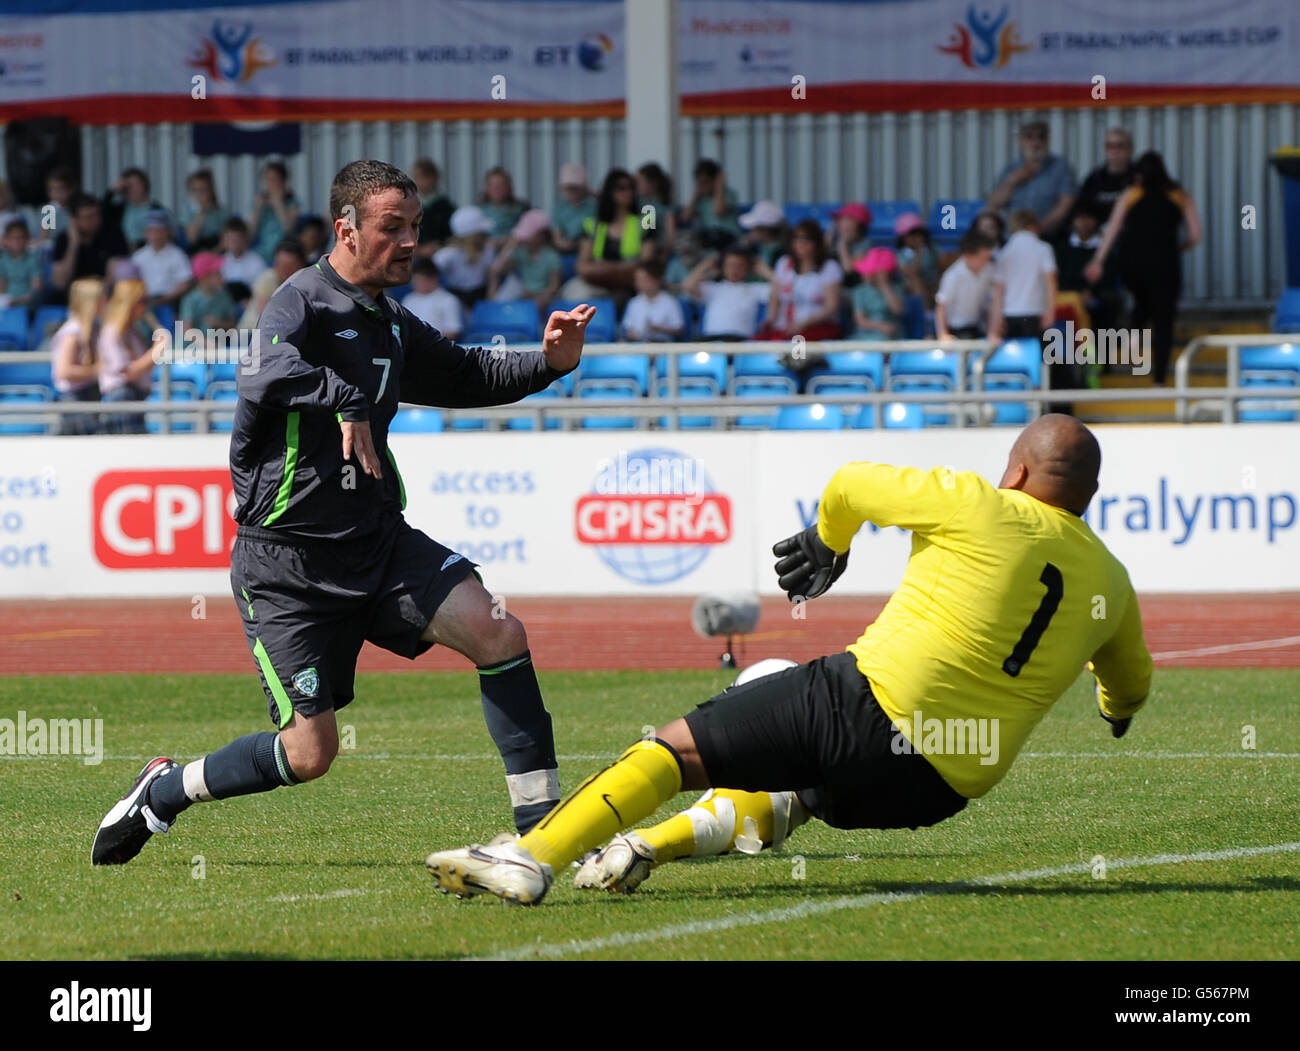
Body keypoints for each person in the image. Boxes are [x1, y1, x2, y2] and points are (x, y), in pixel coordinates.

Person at [92, 159, 598, 866]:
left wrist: (550, 363)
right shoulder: (299, 298)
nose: (410, 242)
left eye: (416, 227)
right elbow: (262, 371)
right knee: (309, 753)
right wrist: (347, 397)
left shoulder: (389, 318)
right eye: (393, 227)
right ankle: (164, 792)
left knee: (497, 629)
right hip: (287, 563)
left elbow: (466, 372)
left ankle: (545, 832)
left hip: (377, 542)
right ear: (347, 229)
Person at [425, 415, 1154, 904]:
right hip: (941, 789)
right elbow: (1131, 683)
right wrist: (1113, 711)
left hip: (866, 706)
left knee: (675, 750)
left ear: (1019, 473)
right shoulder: (1112, 583)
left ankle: (531, 856)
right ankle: (648, 844)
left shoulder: (975, 502)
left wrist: (828, 541)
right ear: (1087, 496)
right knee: (797, 788)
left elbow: (850, 484)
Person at [1084, 151, 1201, 387]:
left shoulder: (1131, 194)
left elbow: (1112, 231)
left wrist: (1098, 260)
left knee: (1140, 302)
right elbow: (1196, 234)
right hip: (1166, 262)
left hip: (1133, 261)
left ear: (1139, 175)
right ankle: (1159, 380)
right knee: (1164, 319)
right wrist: (1182, 247)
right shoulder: (1179, 195)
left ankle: (1134, 336)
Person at [561, 168, 657, 306]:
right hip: (597, 283)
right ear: (610, 192)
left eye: (631, 188)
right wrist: (612, 270)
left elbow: (647, 263)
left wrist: (609, 268)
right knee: (572, 292)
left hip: (631, 284)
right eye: (621, 188)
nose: (628, 192)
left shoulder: (647, 220)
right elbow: (582, 266)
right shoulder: (592, 224)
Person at [985, 120, 1077, 243]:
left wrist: (1039, 228)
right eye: (1029, 137)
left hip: (1049, 238)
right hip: (1013, 238)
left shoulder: (1061, 167)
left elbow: (1066, 204)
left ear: (1047, 141)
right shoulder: (1011, 169)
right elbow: (994, 203)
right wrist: (1013, 180)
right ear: (1020, 141)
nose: (1035, 143)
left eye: (1041, 137)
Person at [758, 217, 843, 341]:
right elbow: (775, 297)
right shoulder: (783, 263)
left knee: (795, 349)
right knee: (756, 345)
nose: (800, 243)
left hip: (817, 327)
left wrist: (804, 323)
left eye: (806, 239)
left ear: (817, 242)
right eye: (796, 238)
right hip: (786, 328)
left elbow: (831, 307)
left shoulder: (829, 267)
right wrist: (771, 319)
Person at [96, 278, 155, 434]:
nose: (145, 306)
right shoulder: (113, 331)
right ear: (131, 302)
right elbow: (128, 373)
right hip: (121, 398)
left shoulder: (132, 331)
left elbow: (144, 368)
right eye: (142, 301)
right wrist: (156, 351)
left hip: (134, 396)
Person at [50, 277, 104, 435]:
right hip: (75, 401)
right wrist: (98, 370)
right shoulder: (73, 332)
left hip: (88, 396)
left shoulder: (92, 328)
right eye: (101, 298)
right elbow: (64, 372)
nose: (106, 302)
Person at [49, 193, 129, 296]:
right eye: (88, 217)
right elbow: (60, 282)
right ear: (75, 220)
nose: (95, 220)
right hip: (73, 294)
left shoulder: (113, 234)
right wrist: (73, 244)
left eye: (97, 214)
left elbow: (117, 271)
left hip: (105, 293)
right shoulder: (63, 239)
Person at [683, 247, 769, 340]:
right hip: (712, 341)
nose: (734, 269)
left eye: (739, 265)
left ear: (748, 268)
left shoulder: (755, 289)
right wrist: (706, 264)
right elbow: (687, 286)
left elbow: (777, 290)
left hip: (741, 342)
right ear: (722, 267)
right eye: (730, 265)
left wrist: (765, 270)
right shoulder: (713, 288)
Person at [487, 208, 562, 312]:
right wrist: (512, 243)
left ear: (542, 236)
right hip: (522, 293)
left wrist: (537, 295)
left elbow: (554, 285)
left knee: (540, 303)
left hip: (542, 298)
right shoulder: (521, 252)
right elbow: (497, 269)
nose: (525, 239)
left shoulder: (551, 256)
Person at [934, 229, 996, 341]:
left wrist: (993, 330)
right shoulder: (952, 276)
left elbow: (993, 301)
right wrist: (943, 334)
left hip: (978, 327)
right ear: (968, 256)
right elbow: (941, 307)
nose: (987, 261)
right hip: (956, 330)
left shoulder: (988, 270)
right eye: (983, 258)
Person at [434, 205, 496, 308]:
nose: (485, 235)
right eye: (481, 233)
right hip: (455, 298)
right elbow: (430, 273)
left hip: (480, 297)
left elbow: (491, 278)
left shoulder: (487, 250)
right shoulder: (448, 254)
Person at [130, 211, 193, 310]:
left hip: (171, 303)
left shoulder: (177, 255)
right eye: (152, 231)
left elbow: (186, 282)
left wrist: (165, 298)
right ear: (146, 233)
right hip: (144, 304)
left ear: (168, 232)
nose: (156, 236)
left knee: (177, 323)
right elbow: (131, 282)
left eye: (160, 231)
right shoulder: (138, 257)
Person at [238, 238, 306, 329]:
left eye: (290, 266)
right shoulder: (268, 277)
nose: (284, 270)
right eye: (280, 264)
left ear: (301, 265)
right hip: (251, 332)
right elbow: (266, 312)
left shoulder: (306, 281)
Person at [1077, 127, 1136, 225]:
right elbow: (1082, 211)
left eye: (1120, 146)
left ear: (1130, 149)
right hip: (1098, 234)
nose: (1115, 151)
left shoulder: (1139, 178)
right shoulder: (1094, 179)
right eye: (1110, 146)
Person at [678, 159, 741, 250]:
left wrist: (719, 186)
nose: (703, 186)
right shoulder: (701, 199)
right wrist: (696, 194)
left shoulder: (728, 194)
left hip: (728, 237)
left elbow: (719, 210)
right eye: (700, 183)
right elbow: (685, 217)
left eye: (706, 182)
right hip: (709, 238)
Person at [102, 167, 167, 250]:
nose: (132, 189)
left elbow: (163, 236)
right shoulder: (120, 209)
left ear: (145, 185)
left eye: (136, 184)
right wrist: (111, 191)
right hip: (121, 252)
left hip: (147, 252)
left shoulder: (156, 209)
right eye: (128, 186)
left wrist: (138, 246)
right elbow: (102, 212)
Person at [849, 247, 906, 341]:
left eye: (868, 271)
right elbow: (860, 321)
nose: (864, 274)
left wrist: (884, 285)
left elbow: (898, 310)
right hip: (865, 336)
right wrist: (881, 326)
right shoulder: (859, 291)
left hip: (892, 337)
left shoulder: (896, 288)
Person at [250, 161, 301, 264]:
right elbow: (250, 232)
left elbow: (288, 228)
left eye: (274, 180)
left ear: (283, 181)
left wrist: (278, 203)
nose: (270, 184)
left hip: (284, 251)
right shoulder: (261, 202)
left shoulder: (293, 203)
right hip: (262, 253)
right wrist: (257, 209)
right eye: (267, 180)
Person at [621, 259, 684, 342]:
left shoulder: (670, 302)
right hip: (637, 345)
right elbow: (628, 328)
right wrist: (634, 336)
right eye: (637, 280)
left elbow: (679, 330)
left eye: (644, 279)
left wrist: (659, 329)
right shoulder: (634, 302)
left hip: (662, 346)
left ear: (656, 280)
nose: (639, 283)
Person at [179, 252, 239, 334]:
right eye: (217, 273)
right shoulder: (190, 300)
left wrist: (219, 324)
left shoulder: (224, 296)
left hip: (220, 344)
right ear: (204, 278)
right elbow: (188, 331)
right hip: (192, 346)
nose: (222, 276)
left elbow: (233, 325)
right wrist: (207, 344)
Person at [402, 258, 463, 338]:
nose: (415, 284)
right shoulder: (408, 300)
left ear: (433, 279)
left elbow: (453, 331)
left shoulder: (449, 300)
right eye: (414, 281)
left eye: (420, 280)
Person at [894, 212, 941, 309]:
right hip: (909, 287)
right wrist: (919, 253)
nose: (916, 238)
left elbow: (942, 262)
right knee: (916, 280)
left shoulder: (932, 250)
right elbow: (911, 272)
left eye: (919, 234)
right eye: (911, 235)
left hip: (932, 283)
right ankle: (926, 313)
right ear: (903, 238)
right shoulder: (901, 255)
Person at [411, 158, 455, 257]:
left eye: (422, 177)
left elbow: (451, 235)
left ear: (433, 178)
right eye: (416, 177)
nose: (419, 181)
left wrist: (439, 245)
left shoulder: (445, 207)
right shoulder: (410, 205)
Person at [549, 162, 596, 255]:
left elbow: (594, 234)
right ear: (562, 188)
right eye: (569, 187)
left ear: (584, 187)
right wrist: (563, 243)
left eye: (575, 187)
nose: (572, 191)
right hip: (564, 252)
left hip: (588, 250)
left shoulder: (594, 206)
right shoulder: (558, 208)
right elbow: (556, 236)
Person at [218, 217, 268, 303]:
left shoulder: (257, 262)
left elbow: (261, 292)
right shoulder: (221, 261)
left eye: (236, 239)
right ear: (224, 240)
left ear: (245, 239)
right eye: (230, 239)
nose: (233, 243)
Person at [180, 169, 230, 253]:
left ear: (211, 190)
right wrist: (202, 212)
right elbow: (192, 238)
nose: (199, 194)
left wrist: (212, 254)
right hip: (196, 251)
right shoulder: (188, 211)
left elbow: (226, 240)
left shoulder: (222, 212)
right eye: (195, 190)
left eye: (203, 190)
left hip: (217, 251)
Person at [0, 219, 43, 311]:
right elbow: (2, 286)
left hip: (28, 306)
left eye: (21, 237)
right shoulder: (3, 259)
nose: (17, 241)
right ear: (6, 240)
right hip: (7, 305)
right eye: (13, 238)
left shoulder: (33, 259)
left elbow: (36, 289)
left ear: (27, 239)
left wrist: (17, 302)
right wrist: (5, 300)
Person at [477, 166, 527, 244]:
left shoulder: (521, 209)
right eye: (493, 185)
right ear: (486, 188)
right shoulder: (478, 210)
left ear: (509, 187)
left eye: (501, 185)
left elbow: (526, 234)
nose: (497, 189)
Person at [635, 162, 676, 247]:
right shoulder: (640, 202)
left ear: (652, 183)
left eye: (639, 182)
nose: (636, 186)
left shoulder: (665, 205)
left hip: (659, 248)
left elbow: (670, 236)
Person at [737, 200, 787, 269]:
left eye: (754, 228)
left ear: (765, 231)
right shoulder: (756, 247)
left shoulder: (783, 253)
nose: (750, 232)